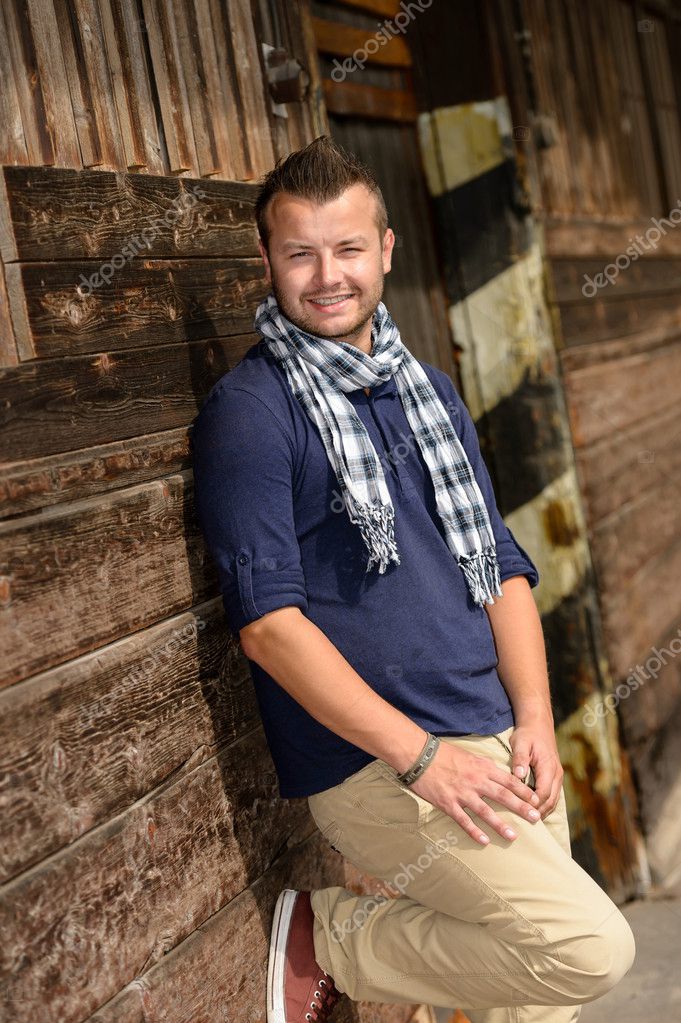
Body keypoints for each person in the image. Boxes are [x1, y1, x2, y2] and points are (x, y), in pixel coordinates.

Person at [191, 136, 635, 1023]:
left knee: (530, 1009)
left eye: (348, 248)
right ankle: (332, 938)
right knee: (588, 949)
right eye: (299, 253)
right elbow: (269, 626)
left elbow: (499, 569)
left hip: (499, 738)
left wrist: (538, 720)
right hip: (385, 766)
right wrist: (418, 757)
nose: (327, 276)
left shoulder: (425, 391)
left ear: (386, 250)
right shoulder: (251, 415)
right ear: (267, 260)